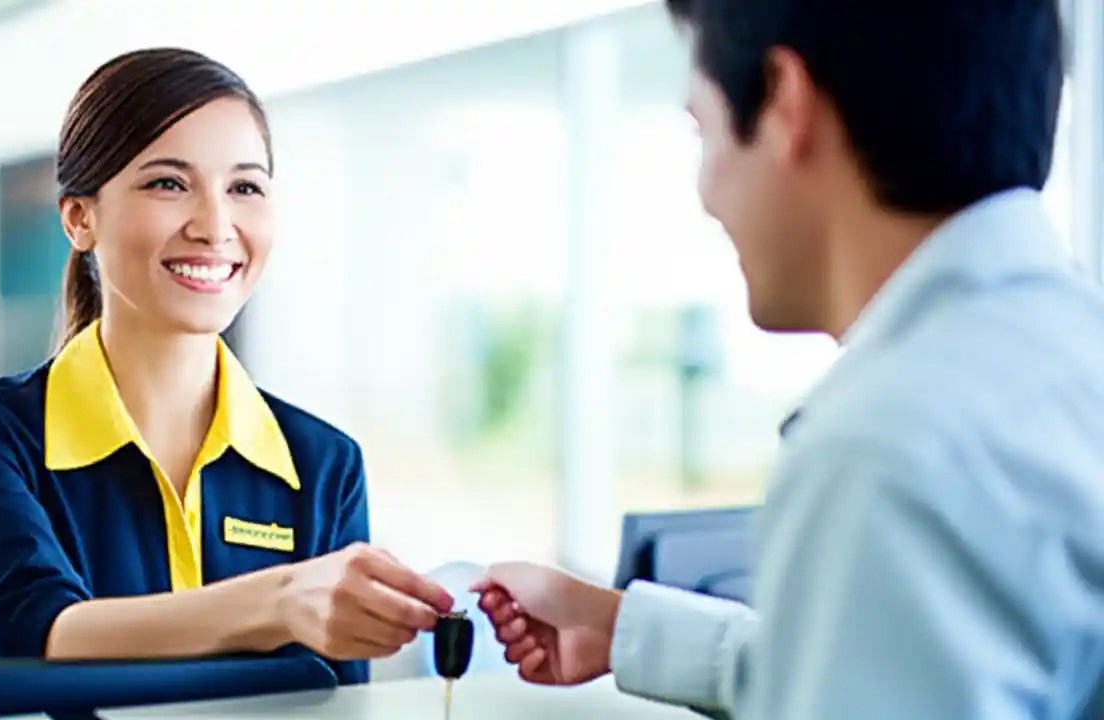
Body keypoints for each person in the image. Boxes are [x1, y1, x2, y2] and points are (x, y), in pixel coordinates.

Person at [473, 1, 1104, 718]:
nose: (706, 194)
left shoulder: (889, 448)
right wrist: (620, 628)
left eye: (700, 130)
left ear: (783, 102)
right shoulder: (1065, 357)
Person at [0, 47, 454, 686]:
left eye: (245, 187)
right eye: (169, 183)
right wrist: (280, 602)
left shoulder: (324, 463)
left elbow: (333, 700)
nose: (215, 225)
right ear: (80, 216)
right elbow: (33, 633)